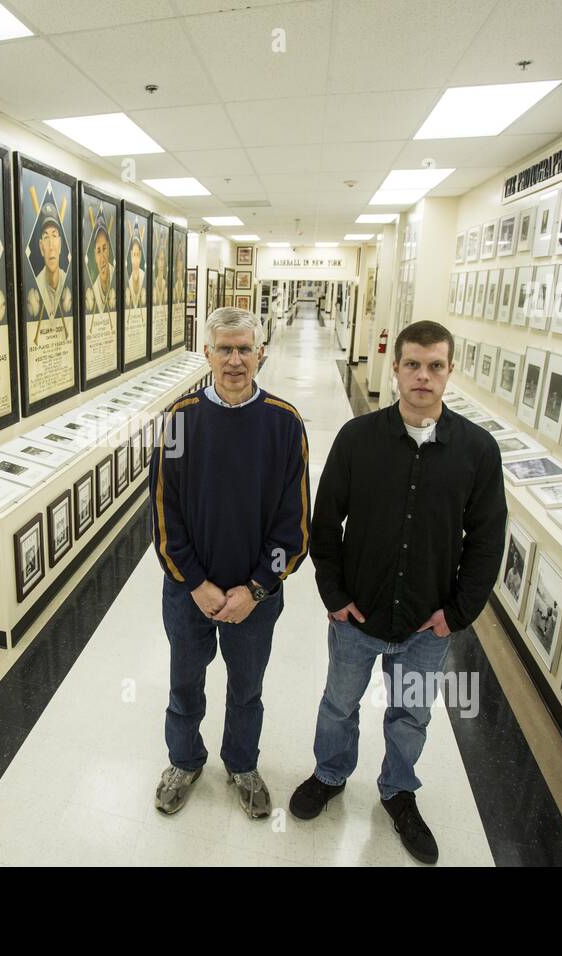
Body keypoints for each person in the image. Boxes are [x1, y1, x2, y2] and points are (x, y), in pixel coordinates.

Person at [290, 320, 507, 865]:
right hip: (356, 616)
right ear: (396, 367)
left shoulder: (477, 452)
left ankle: (398, 790)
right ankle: (330, 774)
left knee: (410, 715)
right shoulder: (357, 439)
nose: (423, 376)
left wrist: (455, 614)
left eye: (435, 365)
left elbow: (486, 541)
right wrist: (334, 597)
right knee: (339, 705)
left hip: (424, 626)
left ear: (450, 370)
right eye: (412, 364)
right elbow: (324, 526)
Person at [150, 307, 310, 820]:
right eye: (225, 349)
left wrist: (257, 589)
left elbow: (295, 524)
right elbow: (163, 514)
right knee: (184, 682)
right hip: (187, 594)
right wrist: (195, 583)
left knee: (247, 688)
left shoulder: (285, 424)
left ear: (260, 353)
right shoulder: (180, 419)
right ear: (208, 355)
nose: (235, 360)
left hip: (254, 600)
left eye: (245, 349)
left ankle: (242, 764)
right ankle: (184, 760)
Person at [34, 200, 67, 320]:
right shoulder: (35, 285)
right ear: (41, 247)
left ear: (60, 244)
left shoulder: (67, 282)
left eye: (54, 236)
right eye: (46, 237)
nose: (51, 246)